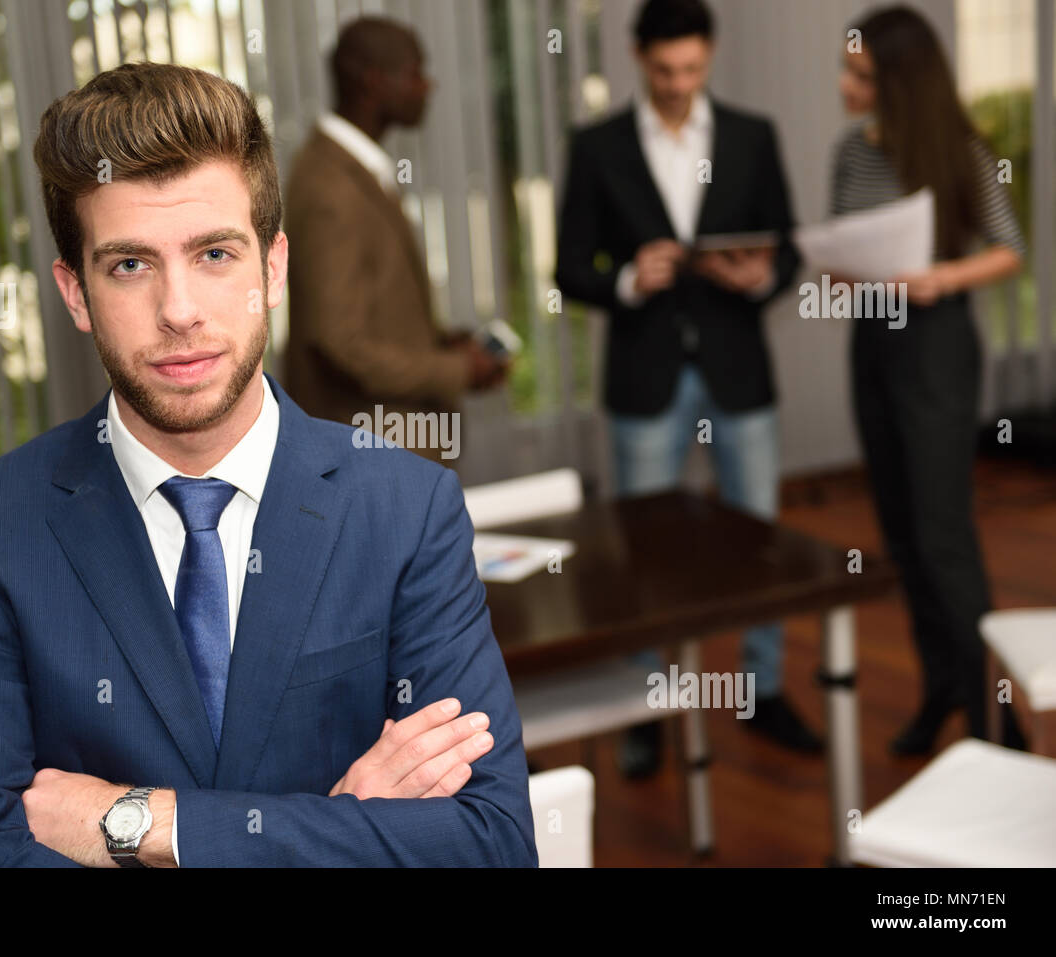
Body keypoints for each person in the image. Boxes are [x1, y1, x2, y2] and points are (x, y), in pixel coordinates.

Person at [0, 62, 536, 867]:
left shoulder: (407, 508)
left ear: (273, 267)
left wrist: (147, 825)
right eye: (130, 264)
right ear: (76, 293)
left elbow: (490, 844)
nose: (180, 310)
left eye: (215, 254)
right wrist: (337, 827)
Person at [554, 0, 816, 779]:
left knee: (760, 538)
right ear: (638, 57)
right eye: (665, 71)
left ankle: (763, 688)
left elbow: (789, 249)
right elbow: (569, 268)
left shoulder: (751, 135)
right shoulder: (596, 145)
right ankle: (646, 707)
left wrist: (764, 276)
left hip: (738, 368)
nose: (678, 84)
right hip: (645, 373)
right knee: (645, 547)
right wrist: (628, 278)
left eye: (693, 69)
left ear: (711, 57)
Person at [831, 6, 1026, 755]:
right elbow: (839, 251)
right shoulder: (852, 152)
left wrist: (940, 277)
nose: (845, 85)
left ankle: (993, 716)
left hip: (938, 347)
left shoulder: (959, 151)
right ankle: (941, 684)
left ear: (899, 83)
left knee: (944, 535)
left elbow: (1009, 250)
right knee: (901, 532)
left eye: (860, 74)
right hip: (872, 345)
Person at [283, 16, 505, 464]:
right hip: (368, 454)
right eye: (415, 72)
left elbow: (371, 309)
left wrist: (441, 342)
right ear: (375, 81)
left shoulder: (353, 168)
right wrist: (460, 370)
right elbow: (339, 345)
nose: (428, 85)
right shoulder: (331, 186)